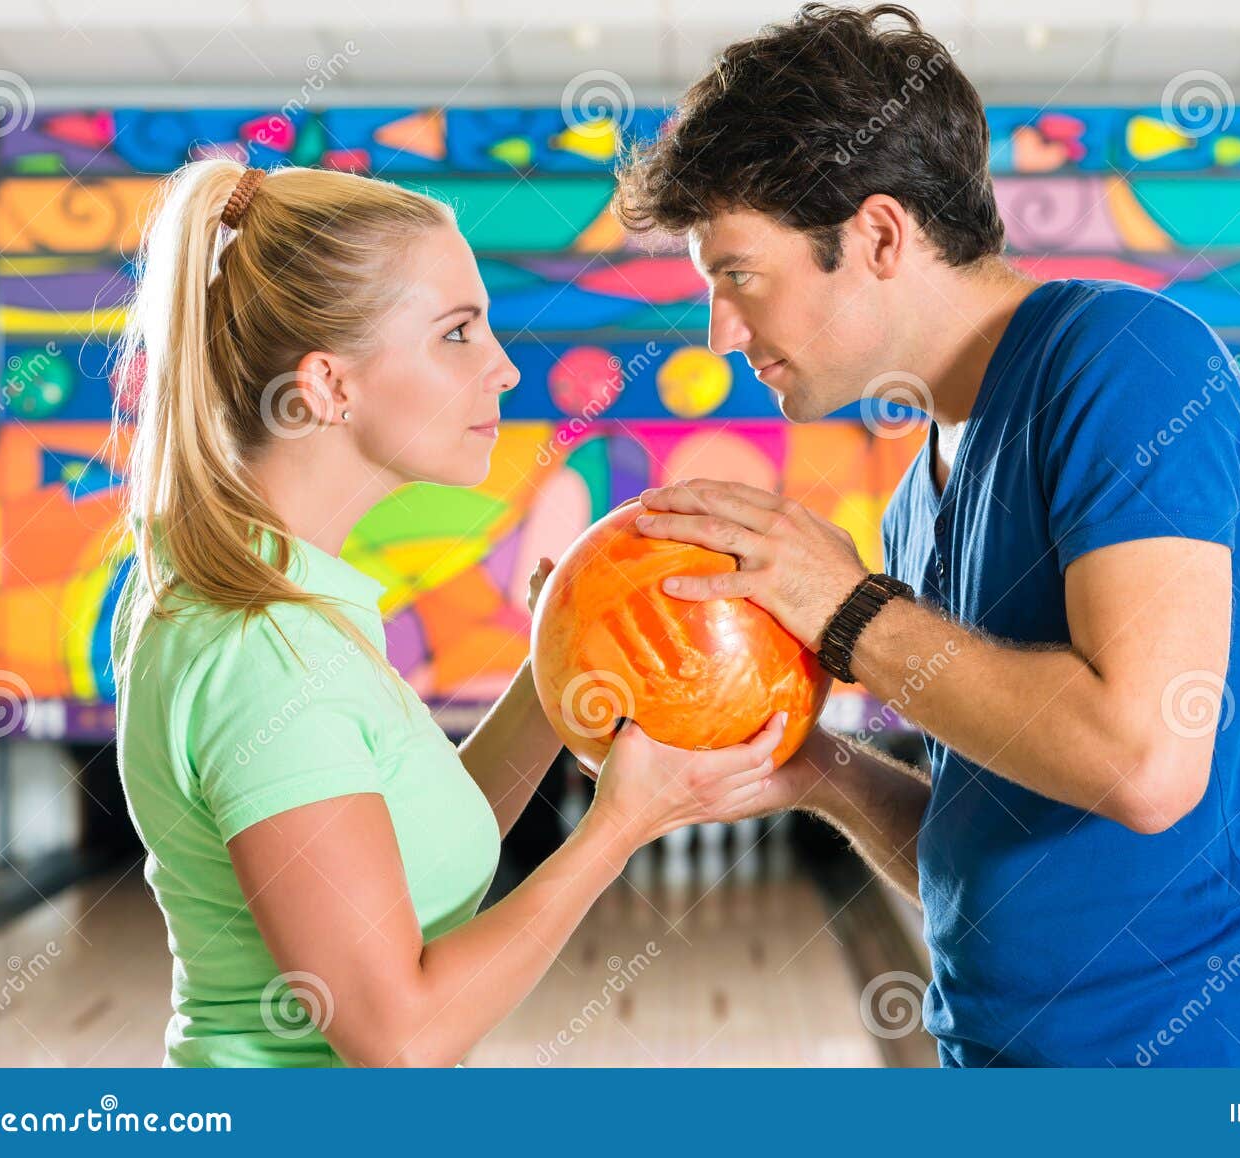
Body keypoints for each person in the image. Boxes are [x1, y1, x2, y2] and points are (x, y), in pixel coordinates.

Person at [616, 3, 1240, 1068]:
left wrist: (845, 610)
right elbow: (997, 847)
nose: (720, 332)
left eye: (735, 274)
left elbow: (1141, 762)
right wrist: (815, 768)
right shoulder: (913, 497)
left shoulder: (1122, 361)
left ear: (878, 235)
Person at [108, 159, 786, 1067]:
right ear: (329, 384)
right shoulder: (265, 652)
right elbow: (400, 1034)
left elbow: (409, 847)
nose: (505, 367)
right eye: (458, 333)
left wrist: (563, 658)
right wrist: (624, 823)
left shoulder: (287, 605)